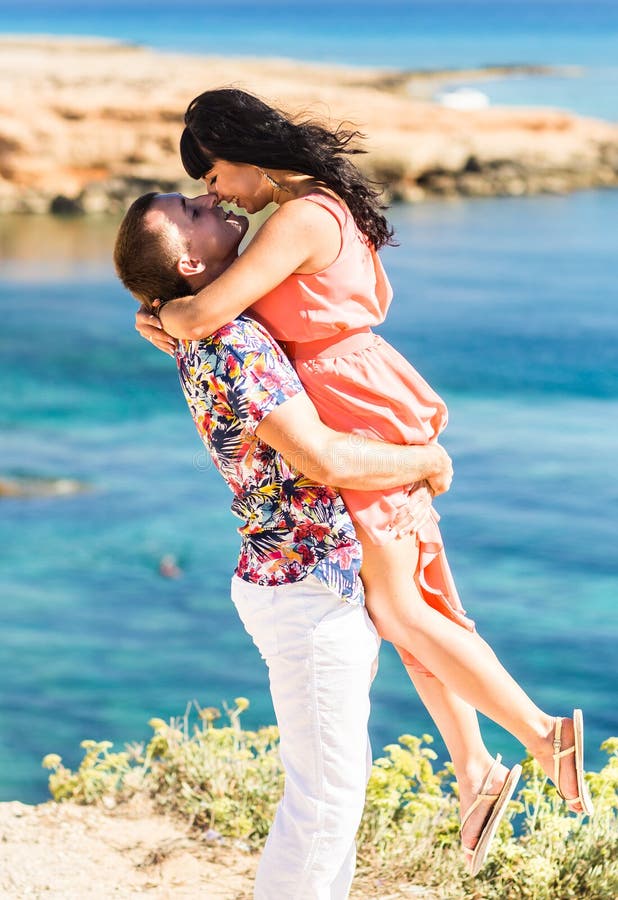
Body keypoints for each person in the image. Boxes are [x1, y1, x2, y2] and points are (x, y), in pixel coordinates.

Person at [134, 88, 593, 874]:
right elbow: (229, 333)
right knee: (406, 603)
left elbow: (208, 313)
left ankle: (544, 736)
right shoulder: (310, 208)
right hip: (352, 398)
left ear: (244, 154)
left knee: (402, 607)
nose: (214, 194)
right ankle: (476, 767)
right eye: (202, 193)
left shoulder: (301, 219)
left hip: (352, 410)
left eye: (211, 179)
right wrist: (179, 322)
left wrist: (165, 319)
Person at [114, 191, 457, 899]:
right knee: (324, 801)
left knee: (336, 791)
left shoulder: (207, 326)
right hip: (305, 594)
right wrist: (425, 461)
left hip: (306, 584)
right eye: (193, 209)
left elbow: (166, 314)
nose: (209, 198)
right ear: (189, 259)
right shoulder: (232, 342)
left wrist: (159, 313)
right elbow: (323, 458)